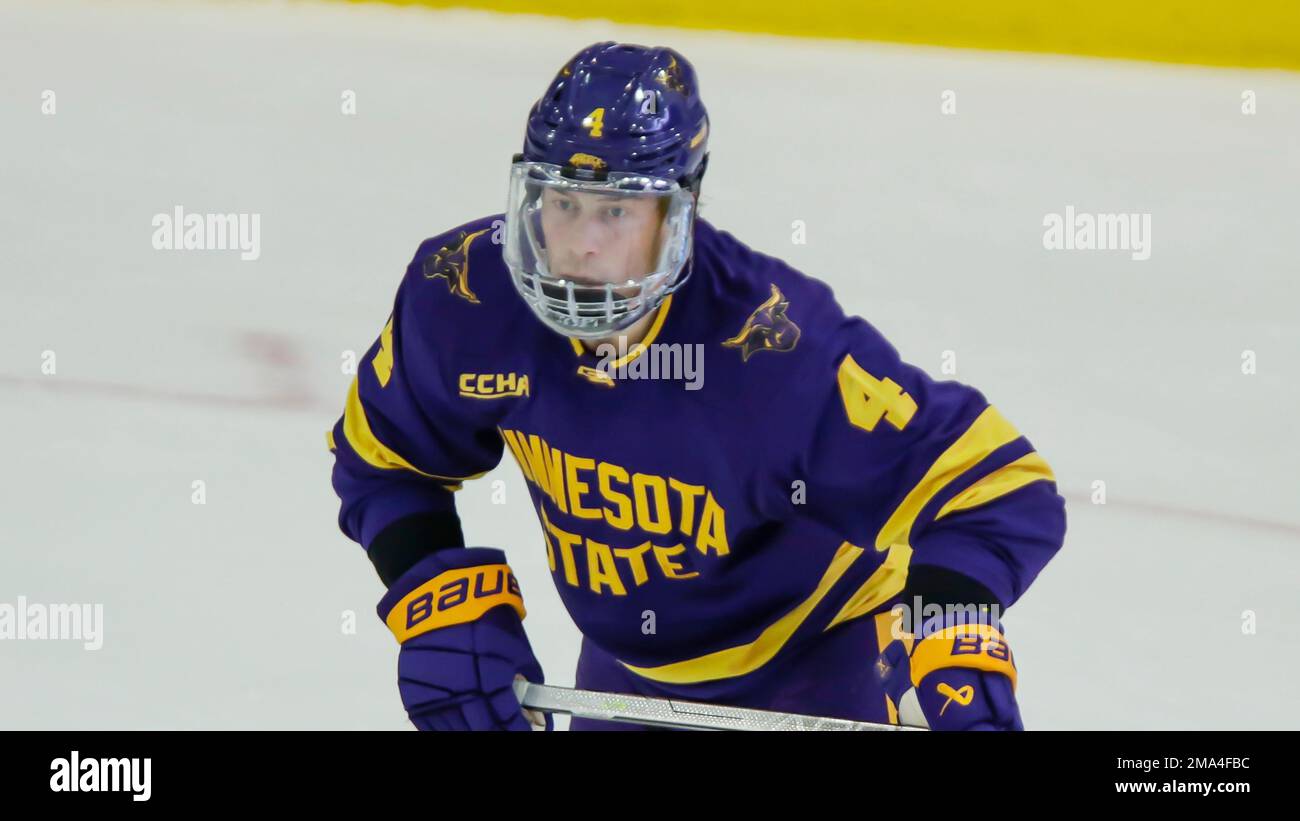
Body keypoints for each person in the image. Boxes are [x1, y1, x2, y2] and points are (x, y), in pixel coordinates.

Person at [328, 42, 1066, 731]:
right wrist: (436, 603)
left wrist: (953, 636)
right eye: (563, 203)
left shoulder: (774, 349)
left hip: (823, 666)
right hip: (622, 678)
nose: (581, 245)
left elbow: (995, 490)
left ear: (679, 212)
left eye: (617, 211)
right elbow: (386, 461)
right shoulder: (463, 295)